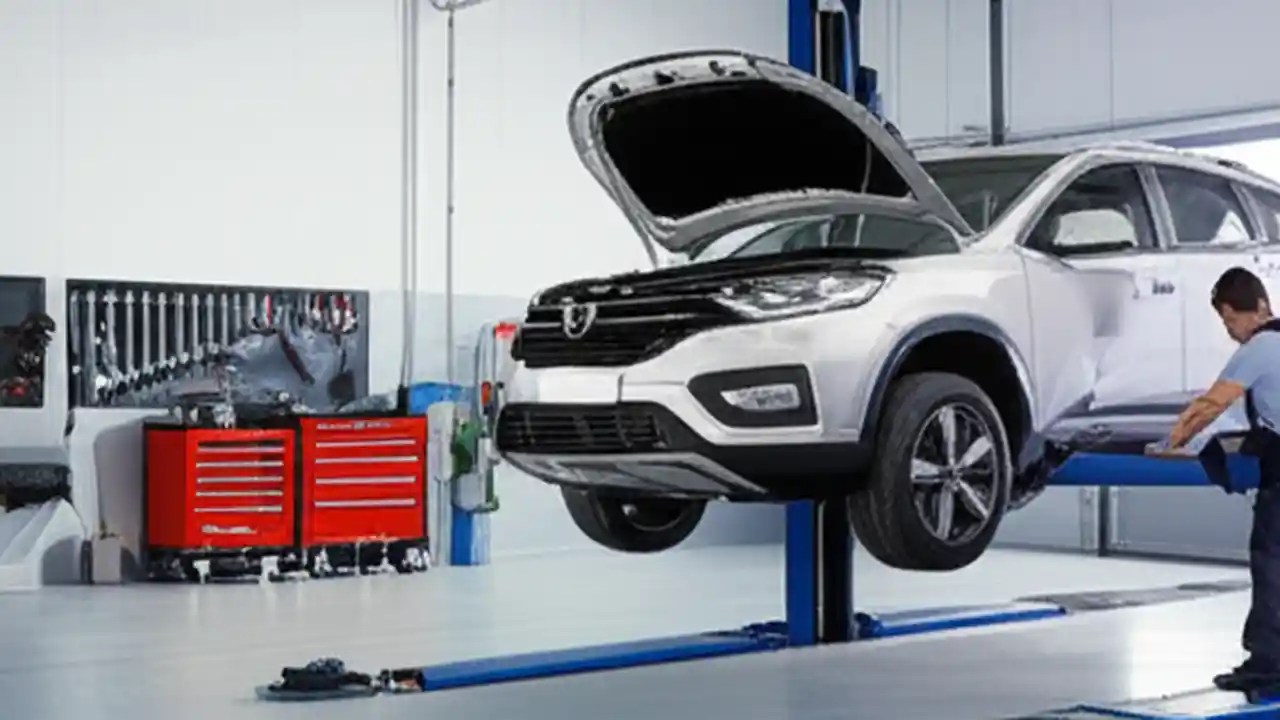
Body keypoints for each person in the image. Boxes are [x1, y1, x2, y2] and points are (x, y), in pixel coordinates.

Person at [1165, 266, 1280, 693]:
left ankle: (1268, 665)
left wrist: (1172, 441)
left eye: (1229, 321)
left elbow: (1212, 404)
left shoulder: (1260, 346)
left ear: (1238, 312)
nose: (1230, 331)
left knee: (1271, 566)